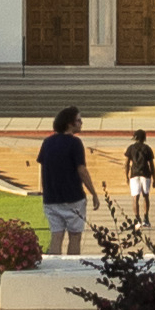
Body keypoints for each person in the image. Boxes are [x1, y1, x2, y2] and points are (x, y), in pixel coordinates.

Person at [35, 104, 100, 256]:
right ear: (70, 123)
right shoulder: (75, 143)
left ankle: (54, 272)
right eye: (78, 120)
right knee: (75, 236)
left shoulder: (47, 142)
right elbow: (82, 170)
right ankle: (71, 270)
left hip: (51, 198)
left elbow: (43, 165)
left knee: (56, 236)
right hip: (73, 198)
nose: (81, 123)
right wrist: (94, 193)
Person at [123, 127, 155, 230]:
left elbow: (127, 164)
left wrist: (126, 177)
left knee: (135, 198)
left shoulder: (131, 148)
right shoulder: (147, 148)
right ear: (144, 138)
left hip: (134, 175)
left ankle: (137, 220)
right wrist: (154, 178)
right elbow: (151, 165)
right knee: (146, 196)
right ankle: (146, 219)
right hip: (146, 174)